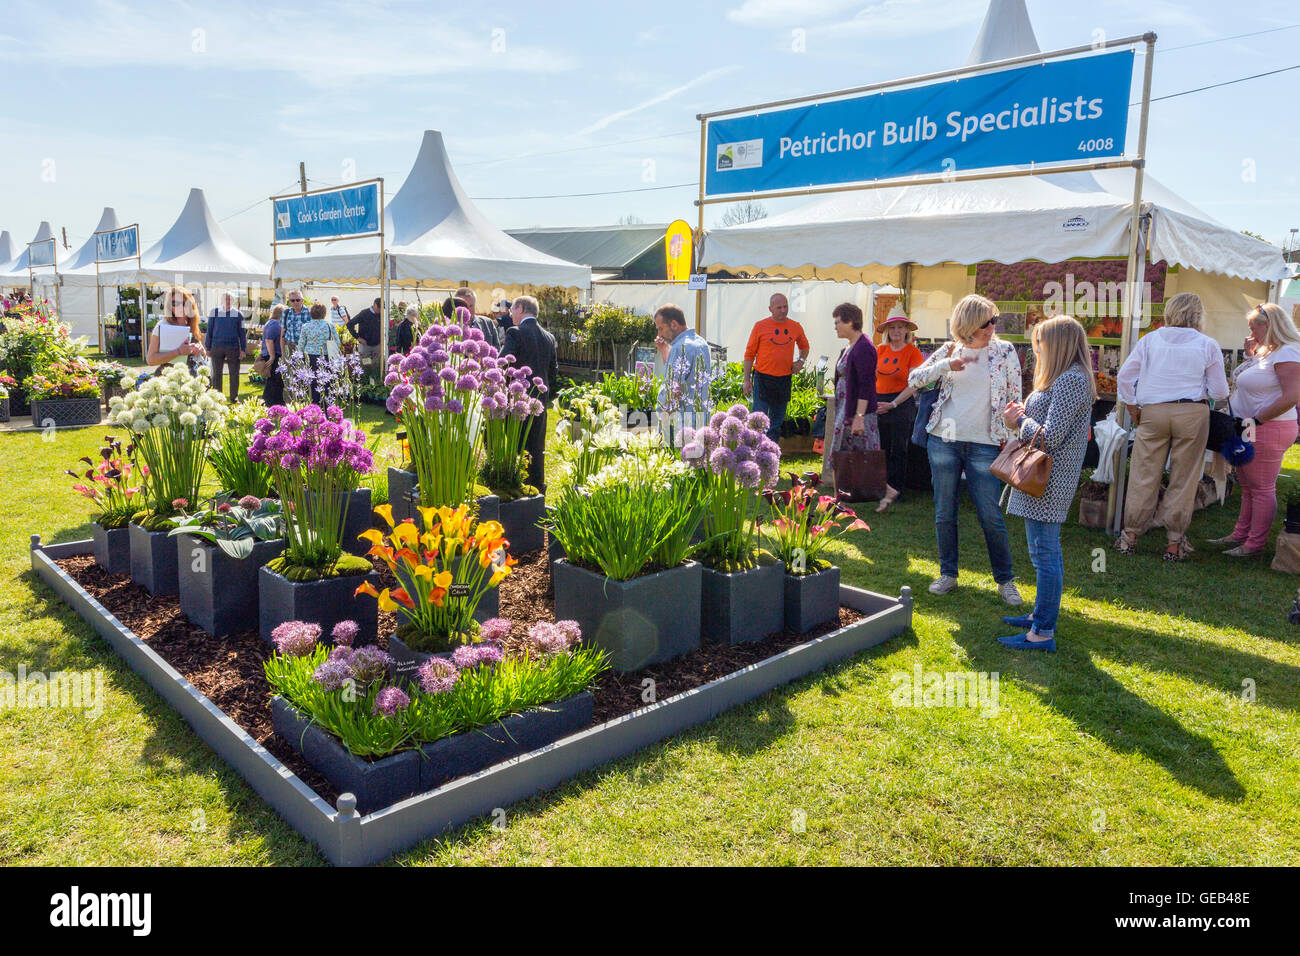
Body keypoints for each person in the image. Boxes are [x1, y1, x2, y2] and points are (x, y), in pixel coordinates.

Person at [908, 294, 1023, 603]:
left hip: (986, 443)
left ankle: (1005, 580)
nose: (993, 327)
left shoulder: (1005, 352)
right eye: (987, 321)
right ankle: (948, 574)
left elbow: (1015, 397)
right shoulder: (949, 350)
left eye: (994, 320)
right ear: (969, 323)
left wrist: (1012, 436)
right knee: (945, 511)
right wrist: (945, 365)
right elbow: (914, 379)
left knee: (990, 514)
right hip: (944, 442)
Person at [997, 317, 1096, 652]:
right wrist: (1026, 413)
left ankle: (1042, 631)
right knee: (1043, 553)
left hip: (1050, 479)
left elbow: (1050, 438)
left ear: (1059, 344)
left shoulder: (1070, 380)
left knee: (1045, 555)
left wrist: (1020, 419)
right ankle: (1040, 616)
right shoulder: (1068, 378)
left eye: (1041, 342)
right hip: (1045, 477)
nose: (1037, 348)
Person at [1115, 292, 1230, 561]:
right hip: (1192, 412)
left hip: (1153, 412)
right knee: (1184, 477)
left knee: (1144, 474)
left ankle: (1129, 536)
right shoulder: (1207, 344)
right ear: (1198, 315)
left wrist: (1133, 409)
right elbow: (1219, 390)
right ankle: (1174, 543)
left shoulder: (1150, 340)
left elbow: (1124, 377)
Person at [1209, 303, 1300, 556]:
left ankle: (1254, 544)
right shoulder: (1271, 352)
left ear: (1269, 325)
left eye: (1254, 328)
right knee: (1248, 485)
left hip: (1268, 426)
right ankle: (1241, 534)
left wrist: (1257, 420)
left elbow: (1292, 395)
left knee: (1261, 487)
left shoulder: (1288, 353)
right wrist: (1253, 354)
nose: (1250, 333)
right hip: (1249, 425)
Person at [501, 295, 558, 493]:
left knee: (517, 444)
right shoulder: (549, 337)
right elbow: (553, 372)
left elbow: (503, 363)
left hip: (517, 400)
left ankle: (517, 486)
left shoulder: (515, 332)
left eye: (512, 310)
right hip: (539, 400)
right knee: (536, 446)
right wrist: (545, 396)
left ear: (522, 309)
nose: (510, 314)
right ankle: (537, 488)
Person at [872, 306, 926, 512]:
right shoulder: (879, 350)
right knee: (881, 448)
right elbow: (870, 377)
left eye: (900, 327)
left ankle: (897, 489)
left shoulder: (913, 352)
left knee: (899, 449)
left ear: (906, 331)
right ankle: (881, 487)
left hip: (901, 404)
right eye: (892, 327)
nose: (896, 331)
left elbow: (914, 384)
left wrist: (894, 404)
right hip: (879, 404)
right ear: (887, 331)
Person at [743, 293, 810, 442]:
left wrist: (800, 361)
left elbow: (804, 347)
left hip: (784, 379)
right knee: (758, 420)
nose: (783, 310)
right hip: (763, 378)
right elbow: (749, 354)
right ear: (770, 308)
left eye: (785, 306)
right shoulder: (760, 326)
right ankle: (753, 454)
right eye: (779, 307)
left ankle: (771, 456)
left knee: (776, 422)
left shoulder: (795, 326)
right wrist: (746, 380)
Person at [830, 301, 879, 470]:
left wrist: (859, 417)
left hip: (858, 412)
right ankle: (843, 493)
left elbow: (866, 385)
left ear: (850, 321)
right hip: (846, 408)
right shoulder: (850, 347)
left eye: (837, 322)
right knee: (845, 455)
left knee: (864, 456)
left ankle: (884, 490)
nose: (835, 327)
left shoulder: (864, 348)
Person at [653, 303, 711, 444]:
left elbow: (673, 386)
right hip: (699, 418)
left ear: (673, 324)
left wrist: (665, 415)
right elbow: (684, 376)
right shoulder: (701, 342)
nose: (659, 334)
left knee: (675, 463)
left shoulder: (680, 347)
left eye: (661, 328)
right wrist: (664, 352)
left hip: (681, 423)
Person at [145, 286, 205, 373]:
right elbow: (150, 360)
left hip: (191, 377)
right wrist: (178, 352)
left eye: (184, 303)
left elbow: (202, 353)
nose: (180, 307)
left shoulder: (191, 324)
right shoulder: (162, 326)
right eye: (175, 303)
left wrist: (201, 350)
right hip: (169, 378)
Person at [205, 291, 247, 402]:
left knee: (234, 374)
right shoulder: (214, 312)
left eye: (230, 299)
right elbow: (209, 330)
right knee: (217, 374)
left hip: (233, 348)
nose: (228, 301)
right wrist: (207, 348)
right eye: (226, 299)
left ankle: (234, 398)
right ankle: (218, 398)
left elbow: (242, 333)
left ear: (233, 301)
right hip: (216, 347)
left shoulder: (239, 315)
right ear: (222, 300)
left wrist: (243, 349)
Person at [298, 302, 340, 406]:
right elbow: (338, 342)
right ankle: (326, 406)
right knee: (326, 382)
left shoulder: (306, 327)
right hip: (326, 357)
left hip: (310, 357)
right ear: (324, 313)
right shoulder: (329, 326)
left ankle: (314, 405)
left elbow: (301, 344)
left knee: (312, 383)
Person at [346, 296, 384, 365]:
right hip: (365, 346)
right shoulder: (364, 313)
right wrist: (358, 337)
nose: (379, 311)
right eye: (379, 308)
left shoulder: (381, 314)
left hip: (378, 345)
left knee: (377, 365)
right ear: (374, 304)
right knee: (366, 365)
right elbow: (349, 324)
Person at [260, 304, 285, 406]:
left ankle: (271, 400)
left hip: (269, 354)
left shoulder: (269, 323)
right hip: (274, 355)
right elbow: (269, 340)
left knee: (273, 379)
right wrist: (272, 356)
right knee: (275, 379)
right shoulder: (275, 324)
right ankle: (271, 401)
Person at [281, 290, 310, 356]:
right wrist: (283, 353)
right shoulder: (286, 312)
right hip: (289, 346)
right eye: (292, 300)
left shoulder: (310, 312)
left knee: (305, 366)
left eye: (298, 300)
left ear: (302, 300)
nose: (295, 302)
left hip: (305, 346)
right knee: (289, 366)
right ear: (289, 302)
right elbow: (282, 334)